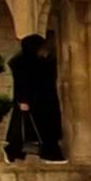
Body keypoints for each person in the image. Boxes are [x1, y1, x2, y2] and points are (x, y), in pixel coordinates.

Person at [9, 32, 65, 161]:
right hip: (31, 102)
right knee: (29, 129)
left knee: (46, 128)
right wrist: (22, 100)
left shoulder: (39, 62)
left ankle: (50, 152)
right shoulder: (22, 63)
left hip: (43, 101)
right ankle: (19, 151)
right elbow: (21, 83)